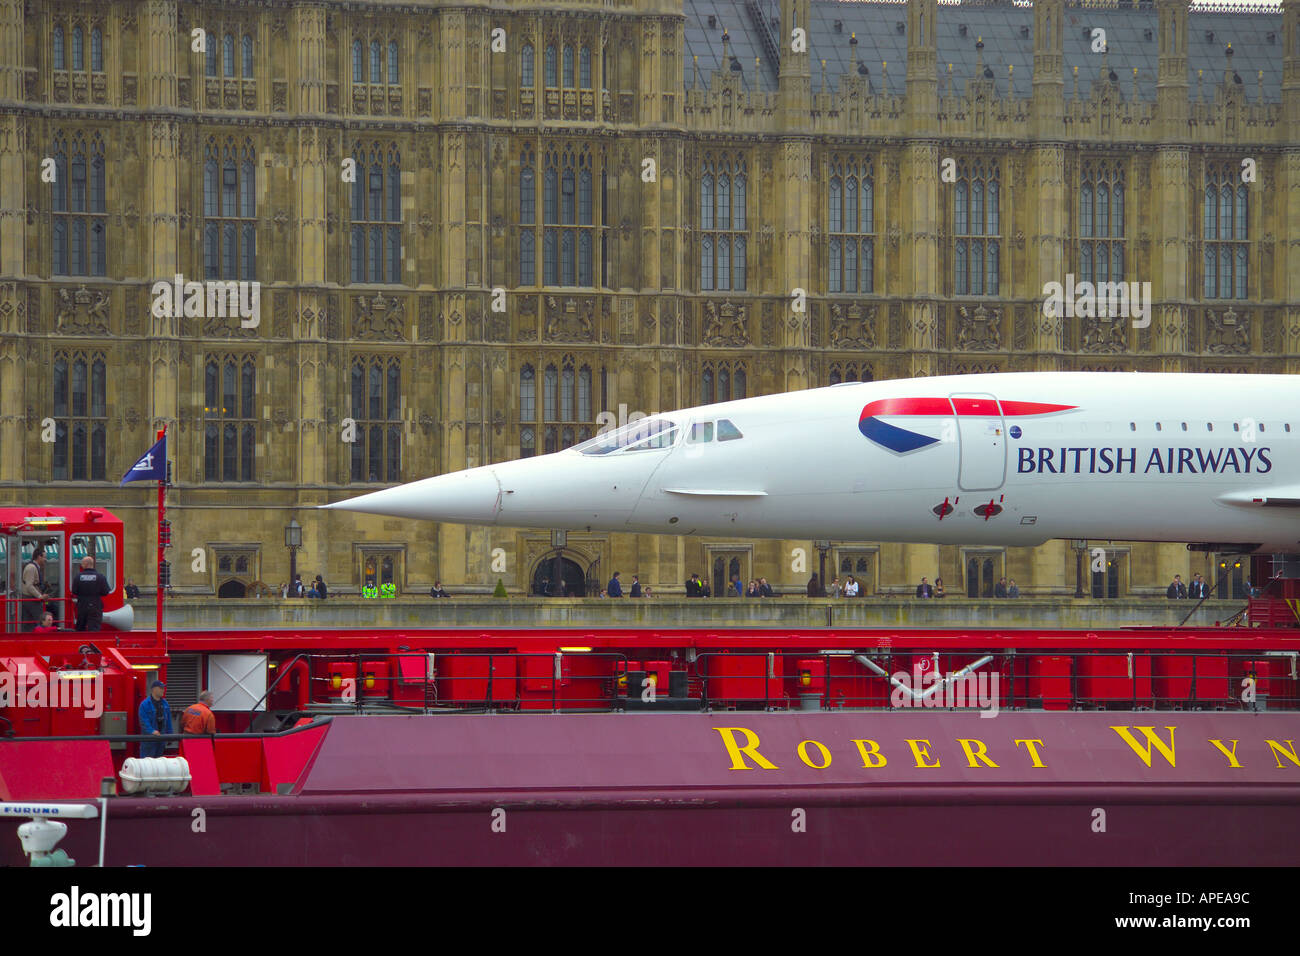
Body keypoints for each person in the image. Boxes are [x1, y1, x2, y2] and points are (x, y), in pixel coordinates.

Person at [71, 555, 111, 632]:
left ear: (86, 564)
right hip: (95, 606)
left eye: (82, 563)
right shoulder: (100, 577)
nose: (81, 565)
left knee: (80, 628)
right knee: (94, 629)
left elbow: (74, 591)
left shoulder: (78, 577)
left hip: (82, 606)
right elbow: (106, 592)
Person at [138, 680, 171, 759]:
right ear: (154, 689)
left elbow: (168, 721)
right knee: (147, 764)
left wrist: (170, 735)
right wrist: (152, 731)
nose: (163, 690)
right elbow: (143, 722)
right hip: (149, 741)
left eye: (163, 688)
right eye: (161, 688)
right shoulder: (145, 704)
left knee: (158, 764)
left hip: (161, 740)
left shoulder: (165, 704)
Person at [20, 546, 48, 632]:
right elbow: (29, 585)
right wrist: (40, 596)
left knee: (28, 622)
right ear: (39, 557)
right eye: (44, 557)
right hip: (31, 599)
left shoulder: (33, 567)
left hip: (30, 599)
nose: (45, 560)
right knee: (40, 620)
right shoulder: (31, 568)